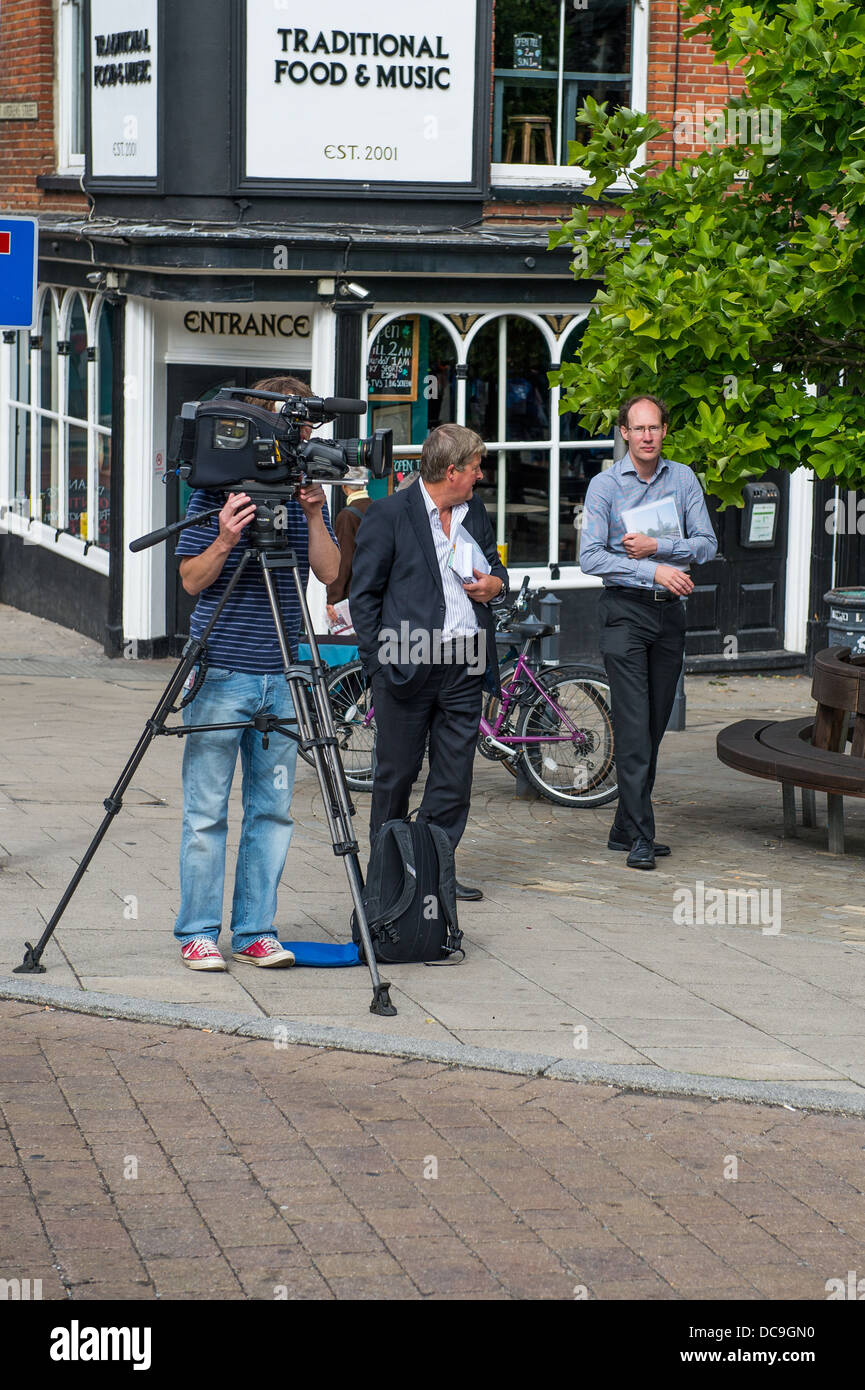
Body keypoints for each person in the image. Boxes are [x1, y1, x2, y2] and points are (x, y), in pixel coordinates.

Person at [173, 375, 340, 969]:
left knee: (271, 809)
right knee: (206, 810)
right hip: (221, 668)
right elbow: (192, 580)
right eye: (290, 427)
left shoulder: (300, 494)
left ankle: (254, 930)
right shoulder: (214, 489)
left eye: (304, 429)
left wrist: (316, 515)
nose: (299, 439)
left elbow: (328, 575)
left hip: (284, 671)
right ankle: (196, 931)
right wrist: (224, 537)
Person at [350, 423, 509, 901]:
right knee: (397, 773)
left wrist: (494, 587)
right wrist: (378, 665)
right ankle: (386, 873)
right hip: (407, 662)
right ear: (452, 470)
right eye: (476, 467)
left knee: (453, 775)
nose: (481, 476)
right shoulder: (389, 514)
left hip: (466, 660)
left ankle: (436, 869)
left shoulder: (473, 510)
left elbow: (497, 569)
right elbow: (365, 597)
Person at [579, 394, 718, 870]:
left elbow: (706, 544)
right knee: (635, 727)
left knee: (654, 725)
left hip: (669, 616)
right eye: (637, 429)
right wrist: (653, 571)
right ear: (624, 433)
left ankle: (623, 827)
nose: (646, 436)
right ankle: (640, 836)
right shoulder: (604, 486)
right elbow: (591, 557)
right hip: (624, 612)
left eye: (654, 428)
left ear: (664, 431)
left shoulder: (682, 479)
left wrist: (660, 547)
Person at [324, 468, 372, 629]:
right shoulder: (377, 508)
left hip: (352, 594)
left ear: (344, 487)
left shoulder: (347, 516)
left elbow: (343, 558)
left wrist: (333, 598)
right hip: (374, 591)